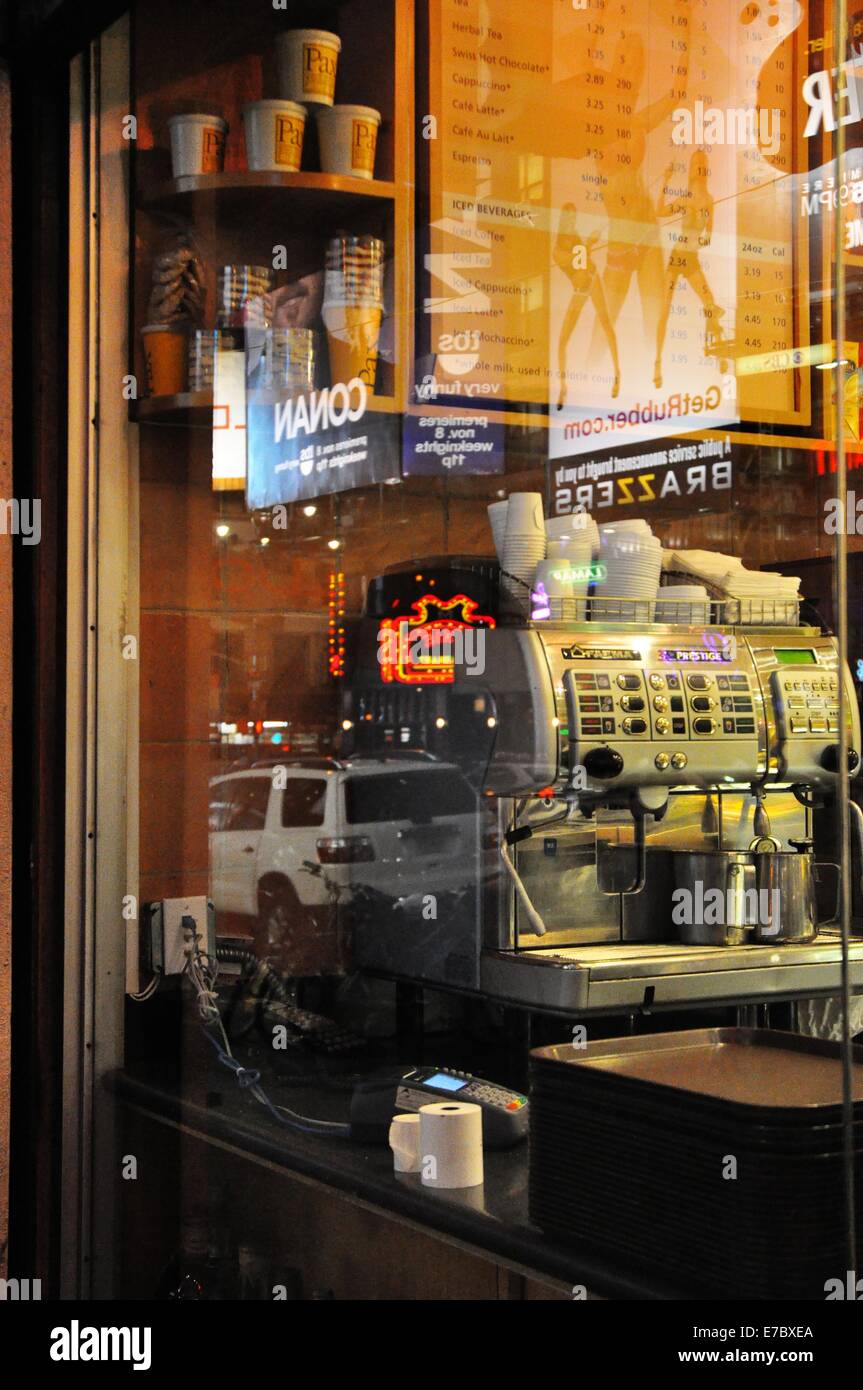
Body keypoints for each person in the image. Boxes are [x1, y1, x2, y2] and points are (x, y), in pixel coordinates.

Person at [654, 150, 725, 389]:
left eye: (702, 163)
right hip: (678, 256)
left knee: (710, 301)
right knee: (664, 308)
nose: (698, 167)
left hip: (691, 258)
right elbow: (660, 211)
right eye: (695, 163)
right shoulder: (684, 198)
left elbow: (709, 235)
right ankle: (657, 363)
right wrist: (664, 180)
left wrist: (702, 238)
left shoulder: (709, 199)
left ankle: (722, 355)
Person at [553, 204, 620, 409]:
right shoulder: (558, 249)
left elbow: (583, 260)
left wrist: (589, 244)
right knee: (563, 340)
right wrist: (588, 244)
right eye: (570, 217)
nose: (573, 221)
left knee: (606, 324)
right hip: (579, 290)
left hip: (592, 279)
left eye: (574, 216)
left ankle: (617, 374)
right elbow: (575, 258)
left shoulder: (574, 238)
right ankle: (563, 386)